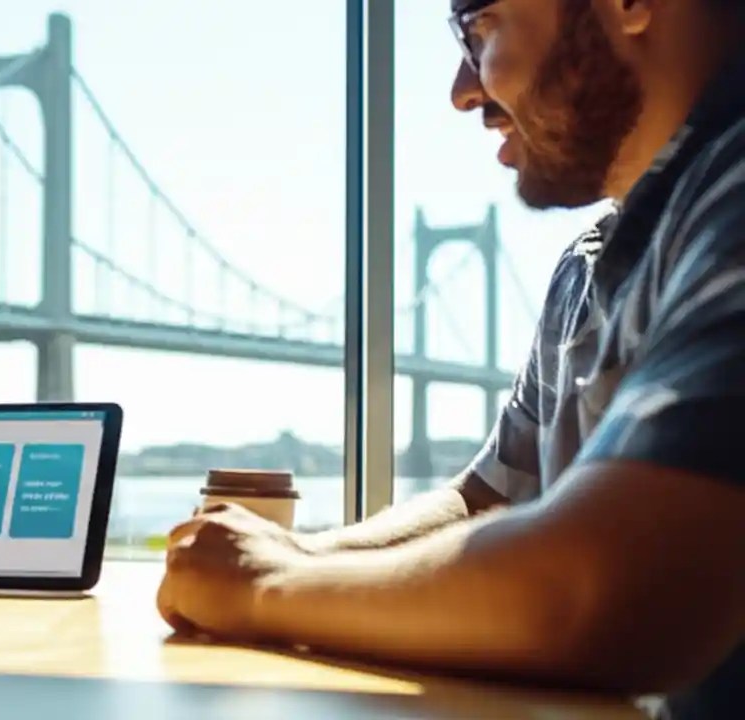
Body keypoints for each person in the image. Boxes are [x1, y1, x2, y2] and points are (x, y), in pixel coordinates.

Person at [158, 1, 745, 718]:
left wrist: (262, 586)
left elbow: (620, 588)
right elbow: (489, 498)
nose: (463, 90)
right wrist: (301, 556)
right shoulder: (592, 267)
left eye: (480, 27)